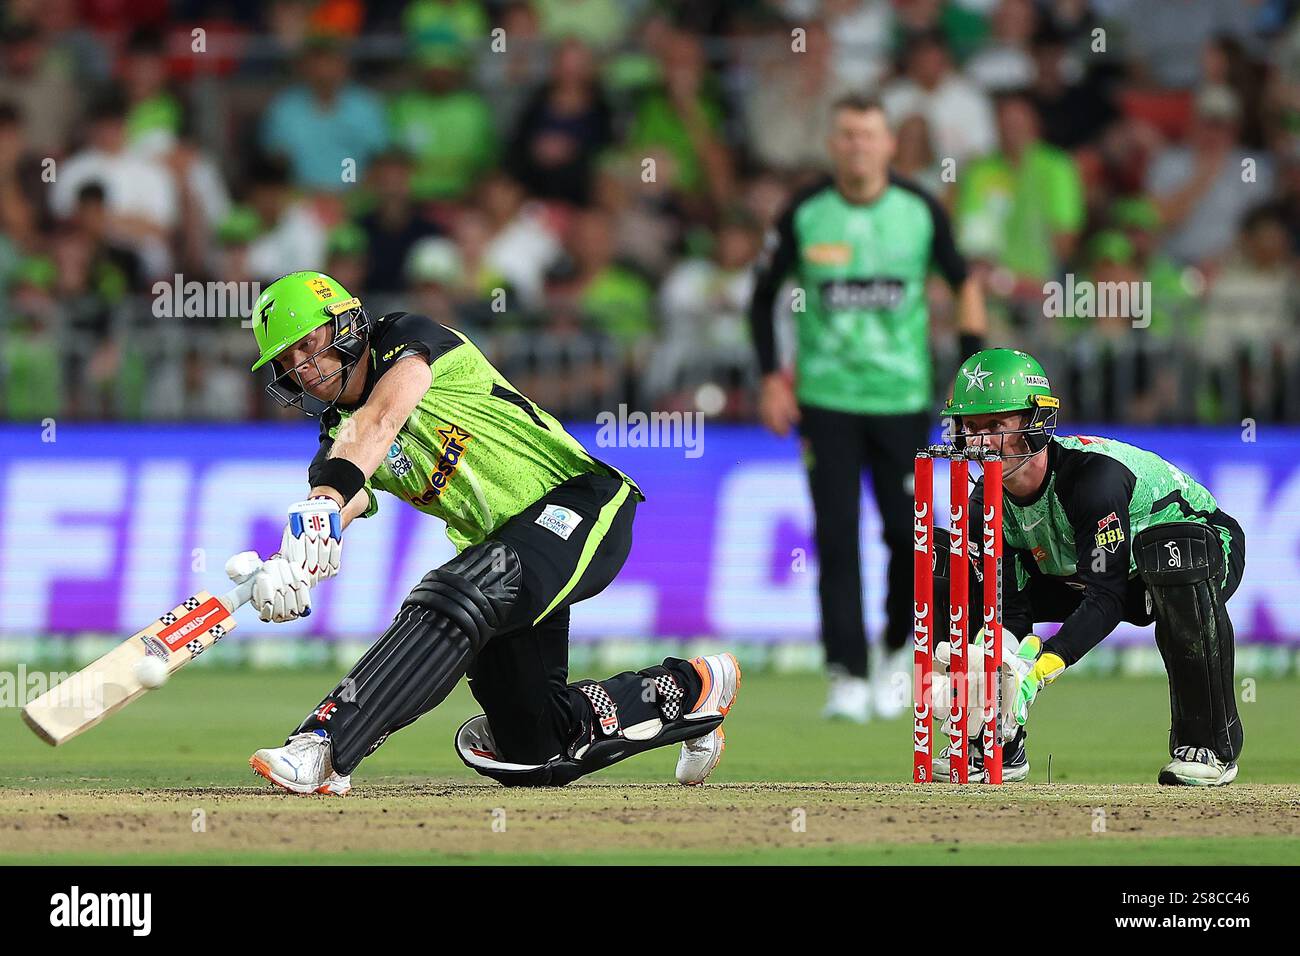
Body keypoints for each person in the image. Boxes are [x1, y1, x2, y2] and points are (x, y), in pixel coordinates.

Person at [240, 271, 740, 794]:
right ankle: (689, 689)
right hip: (505, 554)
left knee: (459, 588)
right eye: (287, 361)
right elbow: (348, 490)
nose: (305, 368)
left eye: (309, 344)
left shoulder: (407, 340)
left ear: (345, 325)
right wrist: (288, 562)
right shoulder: (339, 437)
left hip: (578, 502)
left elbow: (381, 421)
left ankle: (325, 745)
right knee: (535, 748)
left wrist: (325, 501)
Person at [748, 94, 986, 723]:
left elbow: (965, 284)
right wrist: (773, 378)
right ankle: (846, 674)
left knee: (908, 536)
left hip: (902, 403)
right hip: (826, 402)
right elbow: (762, 295)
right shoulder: (805, 212)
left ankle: (897, 653)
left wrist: (970, 382)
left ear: (888, 145)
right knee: (836, 536)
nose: (857, 145)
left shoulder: (918, 211)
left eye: (868, 135)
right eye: (847, 134)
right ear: (833, 144)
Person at [931, 348, 1245, 786]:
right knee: (947, 564)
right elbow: (1010, 605)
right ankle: (997, 738)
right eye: (971, 427)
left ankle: (1209, 743)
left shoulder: (1091, 481)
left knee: (1172, 553)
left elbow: (1108, 595)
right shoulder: (986, 500)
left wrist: (1040, 668)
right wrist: (1004, 665)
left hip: (1192, 554)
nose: (980, 442)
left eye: (996, 426)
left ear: (1032, 425)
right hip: (1080, 575)